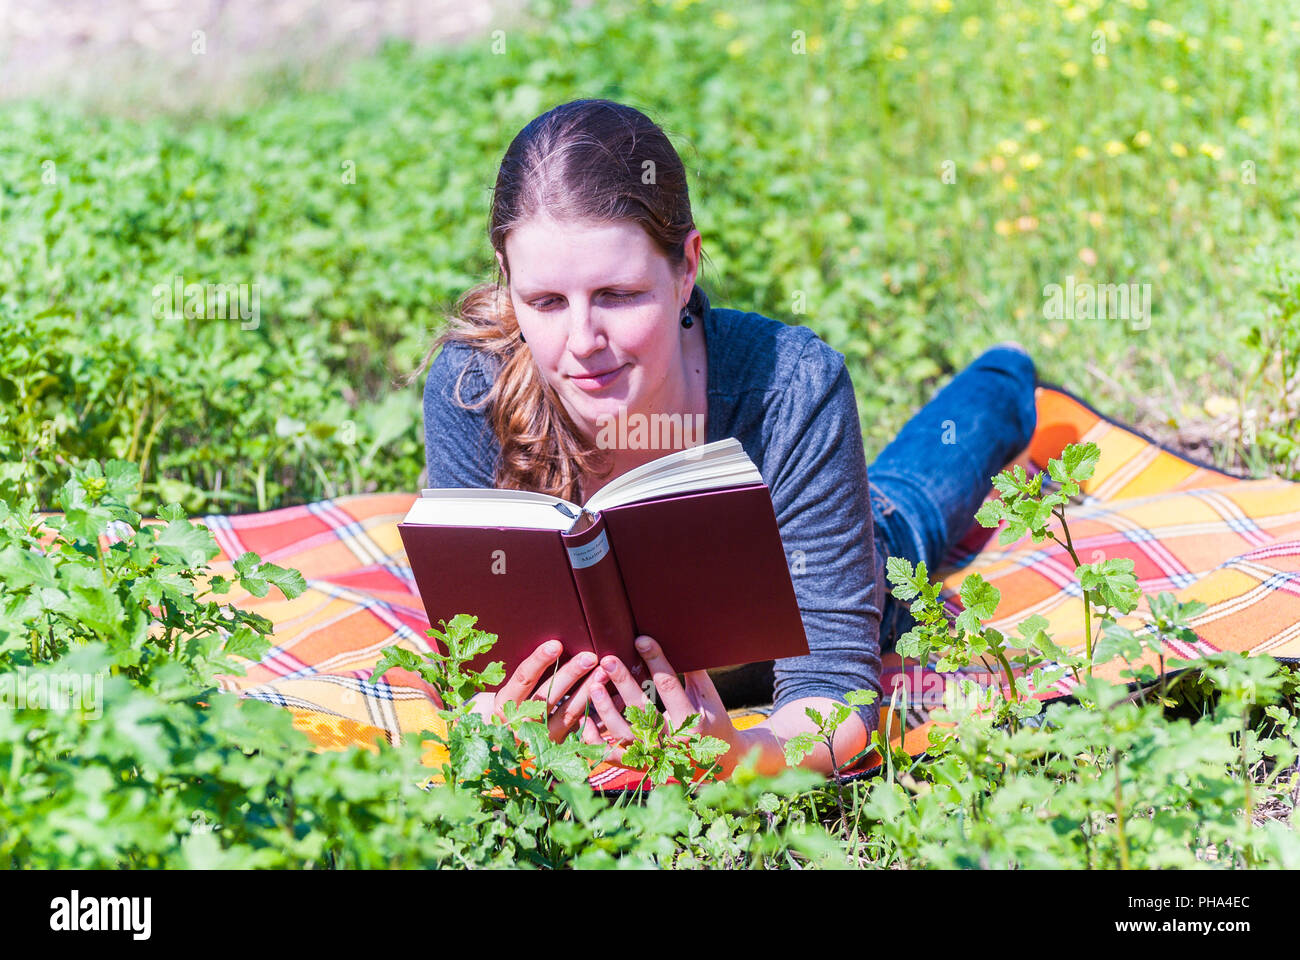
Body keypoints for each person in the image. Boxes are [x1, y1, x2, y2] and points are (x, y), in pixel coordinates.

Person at [417, 99, 1038, 779]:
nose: (582, 342)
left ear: (686, 268)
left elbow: (834, 696)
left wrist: (741, 758)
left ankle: (1006, 375)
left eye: (619, 295)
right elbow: (473, 655)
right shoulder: (470, 386)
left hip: (833, 591)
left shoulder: (792, 386)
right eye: (545, 303)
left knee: (911, 500)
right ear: (507, 283)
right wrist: (496, 722)